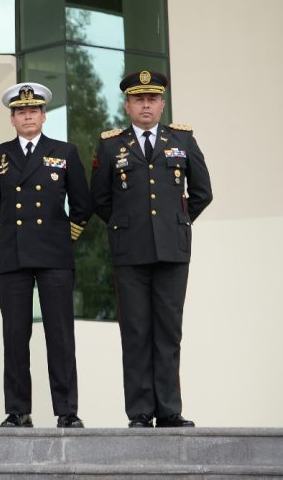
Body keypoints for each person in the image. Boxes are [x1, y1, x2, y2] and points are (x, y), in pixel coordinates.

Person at [91, 70, 212, 428]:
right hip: (130, 253)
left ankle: (169, 410)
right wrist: (126, 226)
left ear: (161, 104)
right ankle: (141, 411)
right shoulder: (112, 145)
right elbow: (100, 198)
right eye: (138, 99)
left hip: (173, 252)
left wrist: (177, 222)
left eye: (152, 99)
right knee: (136, 330)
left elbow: (202, 192)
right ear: (127, 105)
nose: (146, 105)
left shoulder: (183, 141)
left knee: (169, 331)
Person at [0, 83, 91, 429]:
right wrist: (9, 236)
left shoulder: (65, 152)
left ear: (44, 116)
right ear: (12, 119)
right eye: (20, 112)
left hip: (55, 255)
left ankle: (67, 410)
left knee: (60, 335)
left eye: (33, 111)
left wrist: (62, 238)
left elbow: (83, 205)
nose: (27, 116)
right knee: (14, 336)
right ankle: (17, 410)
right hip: (13, 257)